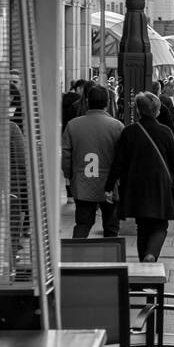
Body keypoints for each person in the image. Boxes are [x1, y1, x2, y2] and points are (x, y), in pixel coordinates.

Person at [104, 91, 174, 261]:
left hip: (136, 186)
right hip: (160, 185)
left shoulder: (129, 132)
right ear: (157, 111)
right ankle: (151, 255)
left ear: (138, 111)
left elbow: (118, 162)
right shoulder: (166, 132)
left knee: (142, 227)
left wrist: (108, 187)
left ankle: (144, 260)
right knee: (160, 225)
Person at [61, 83, 124, 238]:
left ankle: (75, 258)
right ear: (108, 102)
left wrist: (69, 175)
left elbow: (66, 154)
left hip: (83, 182)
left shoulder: (73, 125)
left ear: (87, 101)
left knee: (82, 224)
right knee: (111, 227)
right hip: (109, 184)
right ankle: (111, 259)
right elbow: (122, 158)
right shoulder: (117, 127)